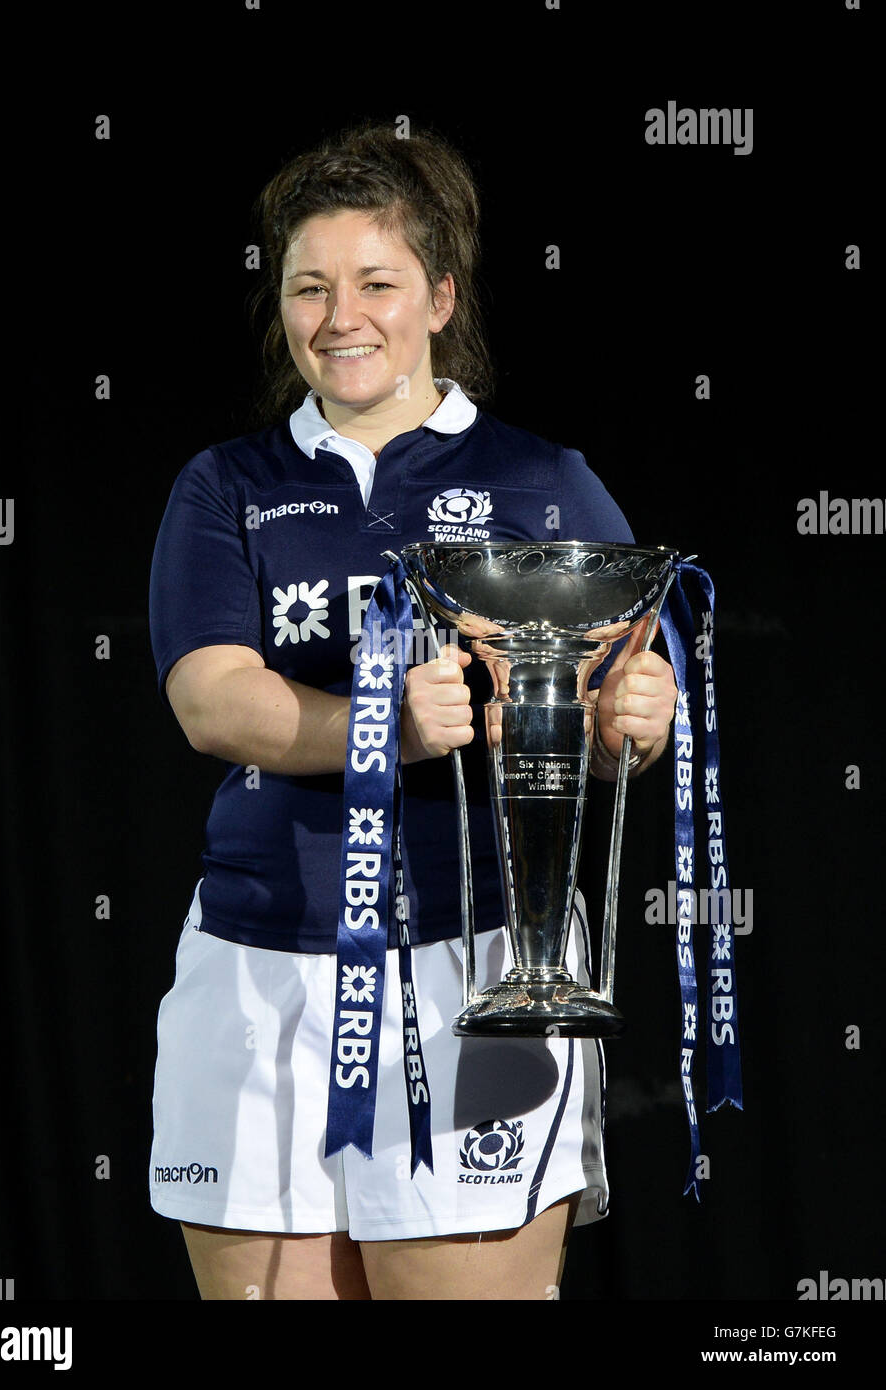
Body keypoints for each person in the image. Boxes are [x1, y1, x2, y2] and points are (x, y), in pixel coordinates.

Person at [147, 121, 677, 1301]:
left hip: (472, 958)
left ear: (438, 296)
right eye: (308, 286)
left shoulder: (542, 477)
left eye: (375, 282)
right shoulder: (228, 482)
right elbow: (211, 698)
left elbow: (604, 725)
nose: (341, 317)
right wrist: (379, 719)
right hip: (256, 968)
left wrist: (630, 719)